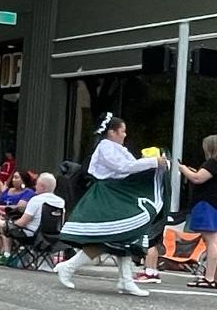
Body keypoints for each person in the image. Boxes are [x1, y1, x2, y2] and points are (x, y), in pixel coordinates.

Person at [54, 114, 170, 296]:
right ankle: (71, 268)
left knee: (122, 237)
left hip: (115, 194)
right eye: (122, 131)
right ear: (112, 132)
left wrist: (153, 162)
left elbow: (129, 165)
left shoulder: (116, 148)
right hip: (108, 195)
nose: (125, 135)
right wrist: (153, 162)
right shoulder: (106, 147)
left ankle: (124, 279)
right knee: (113, 235)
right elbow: (123, 167)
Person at [177, 134, 217, 289]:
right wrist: (196, 172)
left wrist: (184, 170)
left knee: (211, 243)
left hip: (210, 204)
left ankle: (208, 277)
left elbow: (198, 179)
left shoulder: (215, 161)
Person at [2, 172, 64, 263]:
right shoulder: (60, 202)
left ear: (42, 186)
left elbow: (23, 222)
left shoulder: (36, 200)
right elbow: (61, 222)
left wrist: (11, 223)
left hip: (32, 236)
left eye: (37, 184)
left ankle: (3, 254)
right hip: (52, 238)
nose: (35, 187)